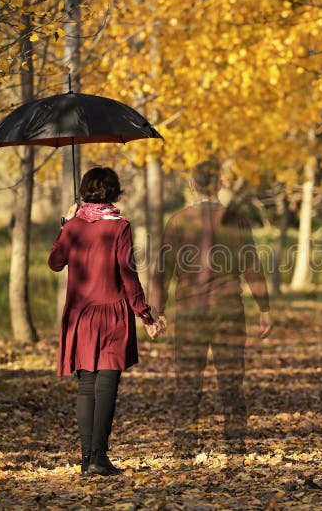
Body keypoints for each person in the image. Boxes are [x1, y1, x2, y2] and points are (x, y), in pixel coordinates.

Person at [149, 159, 272, 459]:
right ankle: (235, 450)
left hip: (191, 314)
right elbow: (252, 266)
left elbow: (162, 270)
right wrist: (264, 308)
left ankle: (184, 452)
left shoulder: (178, 221)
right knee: (232, 381)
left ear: (192, 186)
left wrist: (157, 309)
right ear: (219, 185)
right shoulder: (237, 220)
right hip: (229, 311)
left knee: (188, 382)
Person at [48, 167, 165, 476]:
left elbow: (55, 262)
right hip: (112, 315)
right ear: (114, 193)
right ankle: (98, 457)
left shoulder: (73, 226)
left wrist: (65, 225)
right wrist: (145, 315)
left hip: (80, 316)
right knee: (106, 386)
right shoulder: (120, 226)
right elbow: (128, 275)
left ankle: (88, 460)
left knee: (87, 386)